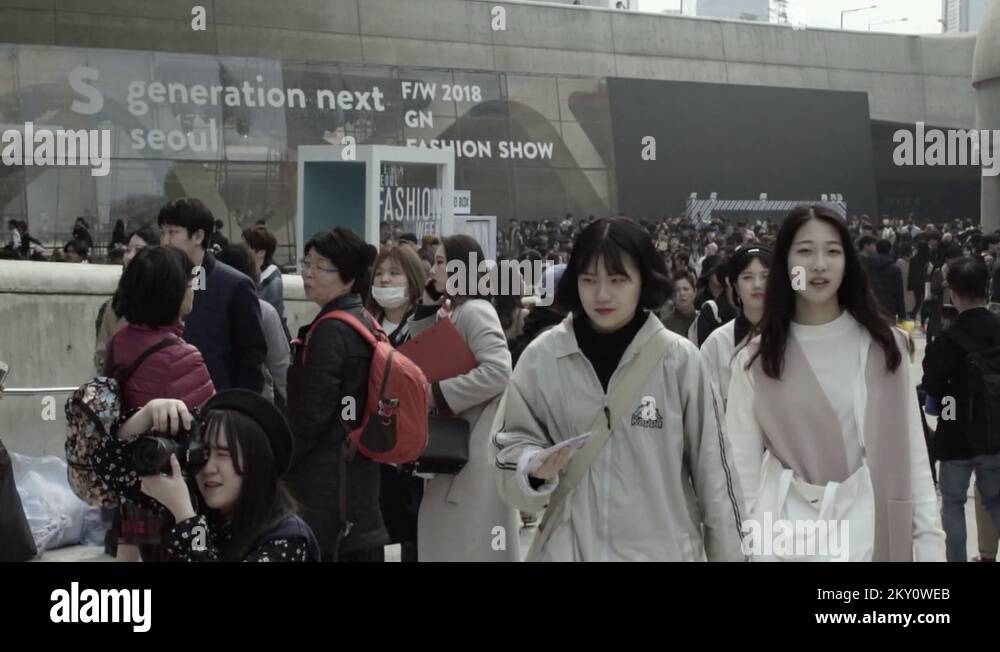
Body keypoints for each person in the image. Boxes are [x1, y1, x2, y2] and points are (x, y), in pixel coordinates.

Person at [491, 217, 745, 561]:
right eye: (589, 279)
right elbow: (507, 444)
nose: (602, 294)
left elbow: (716, 478)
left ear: (643, 280)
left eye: (617, 279)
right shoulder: (543, 358)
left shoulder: (679, 361)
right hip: (570, 549)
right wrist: (531, 468)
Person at [726, 205, 944, 561]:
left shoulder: (884, 347)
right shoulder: (755, 359)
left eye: (832, 251)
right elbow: (741, 472)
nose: (819, 264)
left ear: (847, 263)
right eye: (805, 251)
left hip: (876, 533)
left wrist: (931, 544)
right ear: (785, 264)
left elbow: (914, 455)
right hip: (788, 539)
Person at [408, 234, 519, 561]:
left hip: (473, 447)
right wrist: (427, 305)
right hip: (458, 444)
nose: (433, 269)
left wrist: (438, 394)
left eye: (441, 263)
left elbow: (499, 371)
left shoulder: (475, 310)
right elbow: (426, 351)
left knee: (466, 542)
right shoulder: (458, 310)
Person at [111, 390, 319, 561]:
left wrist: (185, 516)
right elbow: (112, 466)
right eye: (204, 453)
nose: (209, 468)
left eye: (223, 454)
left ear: (257, 463)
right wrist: (148, 413)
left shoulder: (287, 538)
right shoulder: (201, 513)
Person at [107, 245, 216, 562]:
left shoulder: (120, 339)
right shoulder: (183, 356)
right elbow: (210, 427)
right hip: (171, 491)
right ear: (172, 293)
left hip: (132, 484)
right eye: (189, 282)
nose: (193, 287)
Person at [285, 228, 388, 562]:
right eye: (306, 263)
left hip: (327, 487)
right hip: (357, 475)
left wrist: (282, 460)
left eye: (321, 266)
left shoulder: (332, 329)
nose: (308, 273)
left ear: (348, 279)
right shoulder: (366, 321)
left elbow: (313, 416)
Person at [921, 257, 1000, 562]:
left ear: (953, 292)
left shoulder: (947, 339)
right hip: (994, 431)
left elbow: (935, 387)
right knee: (994, 499)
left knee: (953, 502)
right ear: (987, 288)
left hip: (955, 432)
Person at [158, 198, 266, 393]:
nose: (165, 241)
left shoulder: (234, 285)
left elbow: (251, 357)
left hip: (217, 405)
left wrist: (238, 410)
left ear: (198, 236)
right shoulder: (158, 281)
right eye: (162, 232)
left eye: (172, 232)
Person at [367, 244, 427, 563]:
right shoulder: (363, 326)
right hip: (372, 454)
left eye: (394, 273)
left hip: (412, 461)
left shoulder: (427, 327)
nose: (385, 281)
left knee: (408, 538)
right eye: (379, 273)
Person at [215, 244, 290, 408]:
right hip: (255, 402)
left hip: (214, 397)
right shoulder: (264, 310)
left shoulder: (208, 306)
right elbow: (280, 365)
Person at [700, 243, 770, 409]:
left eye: (766, 276)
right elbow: (708, 408)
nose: (757, 284)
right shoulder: (716, 343)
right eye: (747, 277)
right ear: (735, 286)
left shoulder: (793, 336)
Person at [94, 226, 160, 374]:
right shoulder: (114, 304)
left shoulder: (167, 300)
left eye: (138, 250)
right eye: (128, 250)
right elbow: (101, 353)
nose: (130, 256)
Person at [242, 224, 284, 320]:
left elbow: (274, 318)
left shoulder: (272, 280)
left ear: (261, 252)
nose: (241, 250)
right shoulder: (247, 272)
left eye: (245, 247)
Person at [859, 236, 905, 321]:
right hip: (890, 306)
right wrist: (902, 313)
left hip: (871, 303)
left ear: (877, 248)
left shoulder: (866, 264)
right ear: (890, 250)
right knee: (888, 331)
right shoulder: (895, 269)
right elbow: (899, 292)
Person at [658, 270, 698, 337]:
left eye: (686, 289)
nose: (682, 293)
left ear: (695, 292)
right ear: (672, 296)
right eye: (677, 290)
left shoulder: (702, 319)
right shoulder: (665, 326)